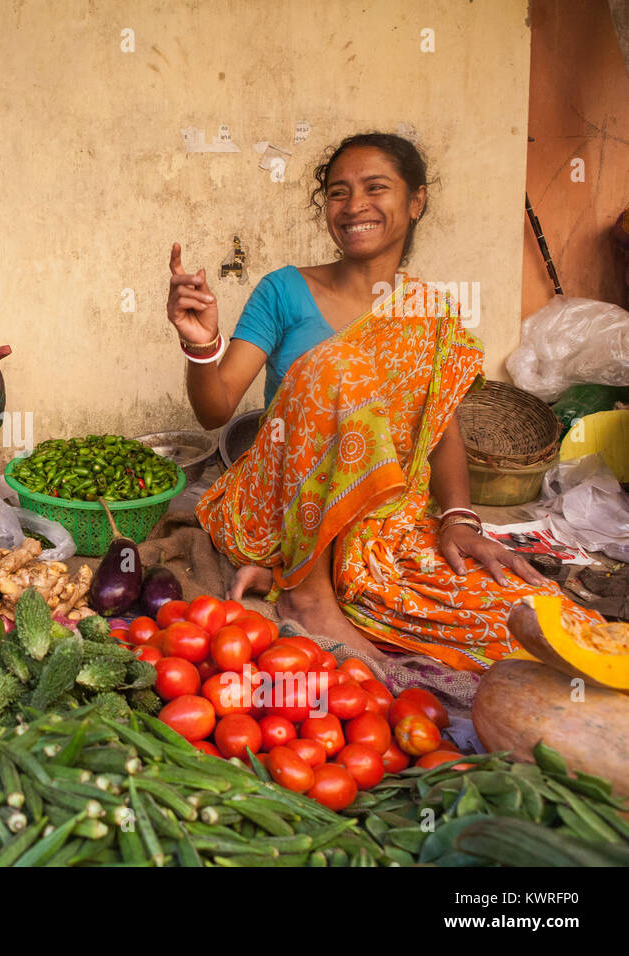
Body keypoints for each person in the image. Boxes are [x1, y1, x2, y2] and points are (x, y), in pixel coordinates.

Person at [167, 132, 606, 670]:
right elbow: (215, 411)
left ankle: (321, 578)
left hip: (382, 521)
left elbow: (440, 428)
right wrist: (199, 342)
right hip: (281, 505)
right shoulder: (283, 291)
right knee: (339, 364)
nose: (354, 206)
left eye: (376, 188)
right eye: (337, 192)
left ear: (415, 200)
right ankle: (307, 592)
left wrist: (460, 520)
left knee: (537, 622)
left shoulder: (429, 312)